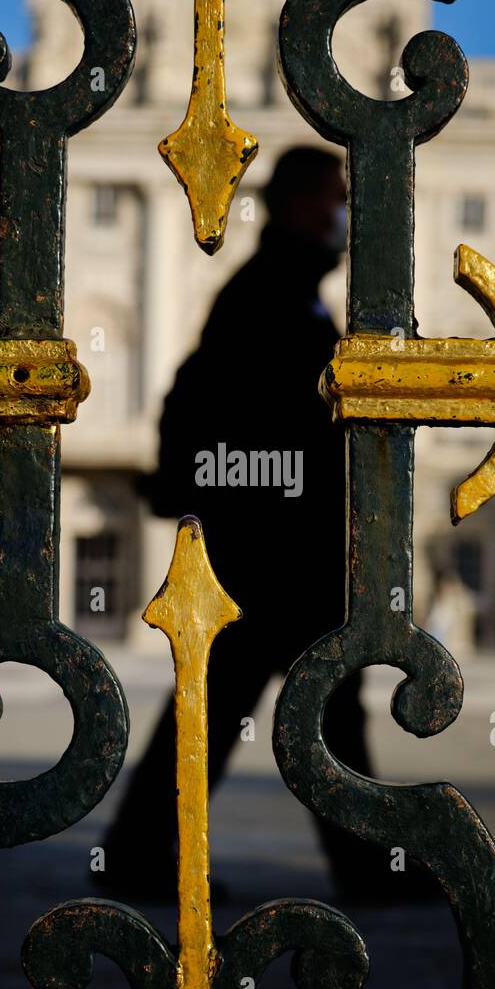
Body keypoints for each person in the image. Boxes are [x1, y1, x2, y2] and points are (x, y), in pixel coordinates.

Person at [101, 147, 429, 903]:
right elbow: (242, 409)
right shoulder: (271, 291)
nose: (341, 214)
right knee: (285, 704)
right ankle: (148, 858)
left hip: (273, 534)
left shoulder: (288, 288)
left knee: (300, 704)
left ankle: (146, 857)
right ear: (293, 203)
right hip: (271, 540)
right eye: (331, 199)